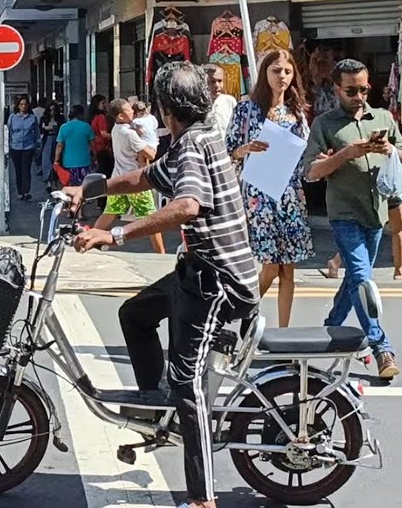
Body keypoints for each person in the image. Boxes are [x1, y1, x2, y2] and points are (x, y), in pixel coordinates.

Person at [69, 61, 259, 508]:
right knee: (133, 314)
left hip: (219, 279)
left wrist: (112, 233)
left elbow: (188, 206)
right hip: (199, 269)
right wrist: (89, 191)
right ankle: (160, 414)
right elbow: (143, 177)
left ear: (165, 107)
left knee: (187, 379)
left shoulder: (193, 145)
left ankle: (202, 498)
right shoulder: (190, 139)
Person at [302, 59, 402, 380]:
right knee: (363, 279)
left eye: (365, 89)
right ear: (337, 89)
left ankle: (328, 331)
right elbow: (310, 171)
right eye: (351, 90)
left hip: (376, 212)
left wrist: (393, 150)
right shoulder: (325, 125)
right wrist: (345, 155)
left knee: (353, 279)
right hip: (344, 214)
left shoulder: (382, 117)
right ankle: (382, 347)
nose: (359, 96)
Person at [227, 49, 313, 328]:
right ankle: (242, 311)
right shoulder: (246, 109)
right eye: (276, 70)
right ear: (264, 73)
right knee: (271, 266)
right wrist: (246, 148)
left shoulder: (296, 112)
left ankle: (283, 333)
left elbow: (305, 153)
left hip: (289, 194)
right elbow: (228, 152)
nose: (283, 77)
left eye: (287, 71)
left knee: (289, 268)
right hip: (259, 195)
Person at [322, 139, 402, 281]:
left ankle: (336, 262)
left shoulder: (379, 123)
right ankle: (399, 270)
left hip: (381, 181)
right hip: (387, 182)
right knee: (398, 228)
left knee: (360, 236)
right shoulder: (378, 122)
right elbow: (385, 148)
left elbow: (388, 147)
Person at [93, 98, 166, 254]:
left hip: (118, 178)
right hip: (135, 182)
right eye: (128, 109)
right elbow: (150, 154)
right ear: (120, 115)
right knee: (151, 218)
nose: (132, 110)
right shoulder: (129, 134)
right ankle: (161, 255)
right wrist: (152, 139)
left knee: (110, 212)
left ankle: (90, 238)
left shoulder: (116, 129)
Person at [7, 97, 41, 201]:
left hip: (28, 147)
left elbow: (36, 132)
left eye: (25, 104)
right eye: (21, 104)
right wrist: (7, 145)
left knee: (26, 169)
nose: (23, 106)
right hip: (15, 147)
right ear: (18, 106)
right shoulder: (12, 117)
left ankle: (26, 191)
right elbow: (9, 131)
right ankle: (20, 191)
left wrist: (38, 146)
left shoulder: (32, 118)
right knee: (18, 170)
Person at [55, 104, 96, 187]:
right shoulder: (86, 126)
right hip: (84, 162)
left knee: (71, 187)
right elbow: (93, 145)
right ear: (81, 114)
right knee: (84, 187)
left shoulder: (64, 127)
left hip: (69, 163)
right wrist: (95, 157)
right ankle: (84, 200)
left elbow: (60, 146)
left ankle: (72, 199)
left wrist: (56, 160)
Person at [203, 63, 238, 138]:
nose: (217, 85)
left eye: (220, 81)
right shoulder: (199, 105)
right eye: (212, 81)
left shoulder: (230, 101)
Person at [88, 94, 114, 178]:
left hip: (95, 146)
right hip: (103, 147)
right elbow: (104, 133)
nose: (105, 105)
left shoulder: (92, 117)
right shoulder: (101, 117)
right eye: (103, 103)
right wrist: (117, 136)